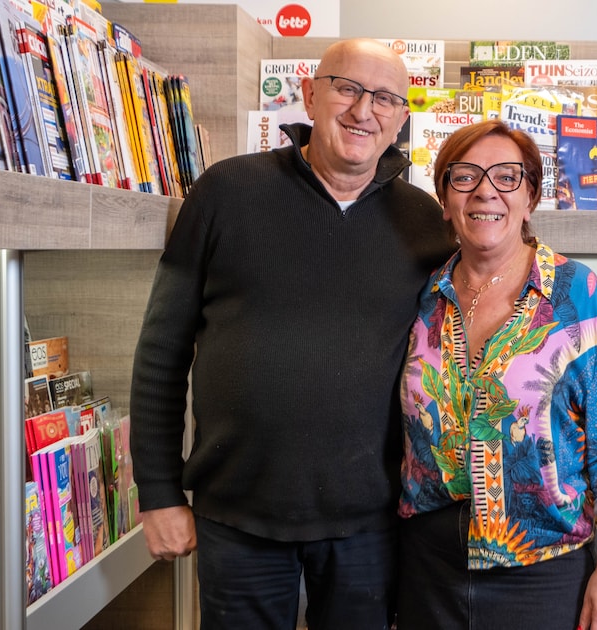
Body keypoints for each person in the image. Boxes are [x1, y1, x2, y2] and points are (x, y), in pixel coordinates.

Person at [129, 38, 456, 630]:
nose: (364, 111)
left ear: (401, 117)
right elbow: (161, 351)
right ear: (309, 93)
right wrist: (158, 491)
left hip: (372, 526)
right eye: (348, 88)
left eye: (384, 98)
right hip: (238, 518)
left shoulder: (425, 223)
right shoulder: (224, 192)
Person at [395, 119, 597, 630]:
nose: (485, 190)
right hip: (427, 569)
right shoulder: (425, 296)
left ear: (530, 196)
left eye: (507, 176)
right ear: (444, 200)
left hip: (542, 574)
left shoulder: (575, 293)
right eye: (464, 176)